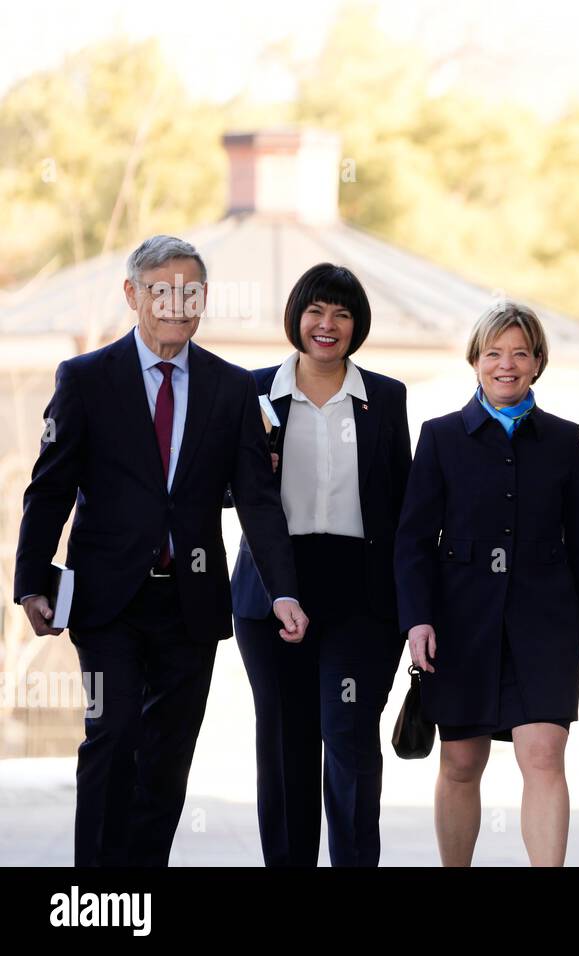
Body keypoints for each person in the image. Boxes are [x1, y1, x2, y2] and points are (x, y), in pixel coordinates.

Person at [13, 235, 306, 866]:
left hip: (191, 603)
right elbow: (51, 483)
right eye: (161, 291)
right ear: (132, 295)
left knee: (167, 760)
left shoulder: (230, 389)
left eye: (190, 292)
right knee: (111, 736)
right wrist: (32, 581)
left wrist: (283, 588)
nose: (176, 304)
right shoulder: (87, 379)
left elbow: (256, 499)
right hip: (105, 599)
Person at [395, 301, 579, 867]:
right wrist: (417, 618)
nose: (506, 364)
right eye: (493, 352)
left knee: (544, 756)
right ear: (475, 360)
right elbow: (414, 540)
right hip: (460, 623)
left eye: (520, 353)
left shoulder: (565, 441)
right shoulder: (440, 437)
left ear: (538, 362)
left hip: (546, 625)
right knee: (462, 763)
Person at [230, 263, 410, 867]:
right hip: (272, 587)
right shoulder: (252, 391)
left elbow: (399, 505)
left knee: (351, 740)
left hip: (360, 593)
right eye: (316, 311)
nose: (327, 325)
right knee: (286, 747)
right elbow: (230, 492)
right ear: (296, 318)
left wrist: (414, 606)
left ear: (356, 325)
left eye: (342, 314)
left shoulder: (386, 398)